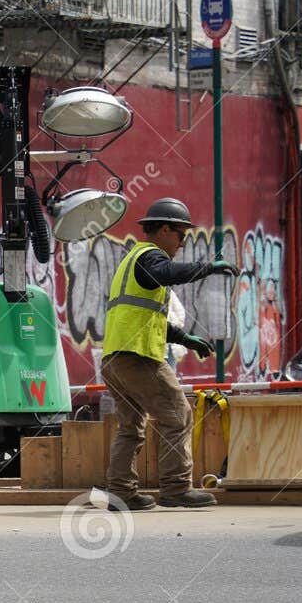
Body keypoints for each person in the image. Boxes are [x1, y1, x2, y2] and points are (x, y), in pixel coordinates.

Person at [102, 198, 237, 510]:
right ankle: (176, 489)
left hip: (115, 359)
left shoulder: (132, 260)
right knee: (178, 415)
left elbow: (149, 316)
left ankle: (121, 493)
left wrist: (186, 339)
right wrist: (207, 268)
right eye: (181, 234)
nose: (183, 242)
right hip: (138, 357)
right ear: (164, 230)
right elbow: (167, 273)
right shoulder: (150, 257)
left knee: (130, 428)